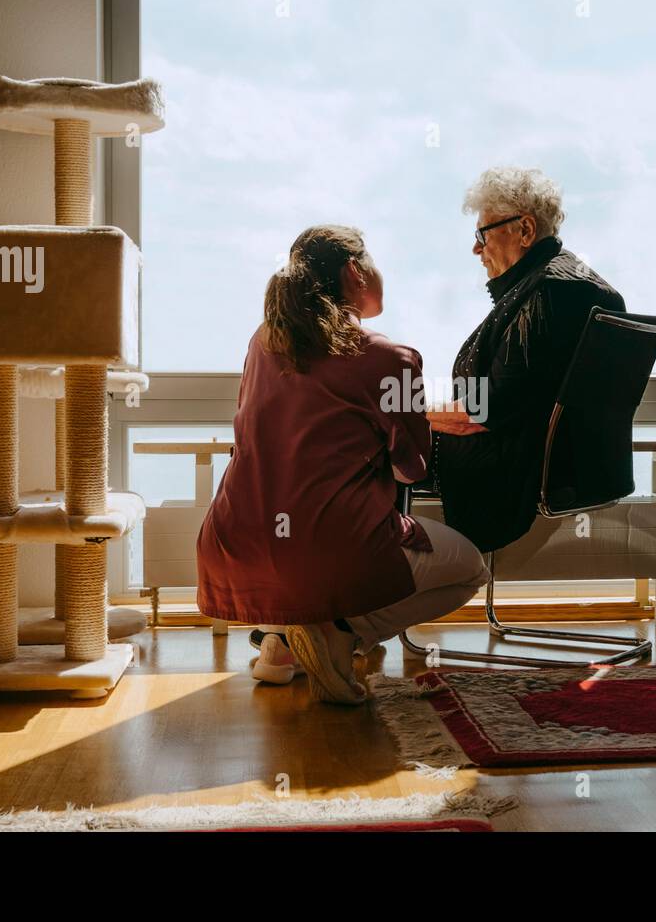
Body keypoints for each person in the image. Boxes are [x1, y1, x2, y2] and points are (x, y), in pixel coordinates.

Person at [196, 225, 490, 704]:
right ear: (355, 271)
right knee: (472, 570)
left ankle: (281, 643)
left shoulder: (262, 342)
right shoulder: (390, 357)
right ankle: (340, 633)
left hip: (234, 539)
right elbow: (410, 470)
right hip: (323, 548)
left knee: (293, 542)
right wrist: (418, 420)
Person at [426, 166, 626, 552]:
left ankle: (374, 590)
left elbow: (490, 409)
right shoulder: (566, 282)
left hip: (517, 471)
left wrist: (410, 414)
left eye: (483, 233)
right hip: (554, 462)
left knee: (371, 448)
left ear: (526, 230)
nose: (476, 248)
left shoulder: (551, 291)